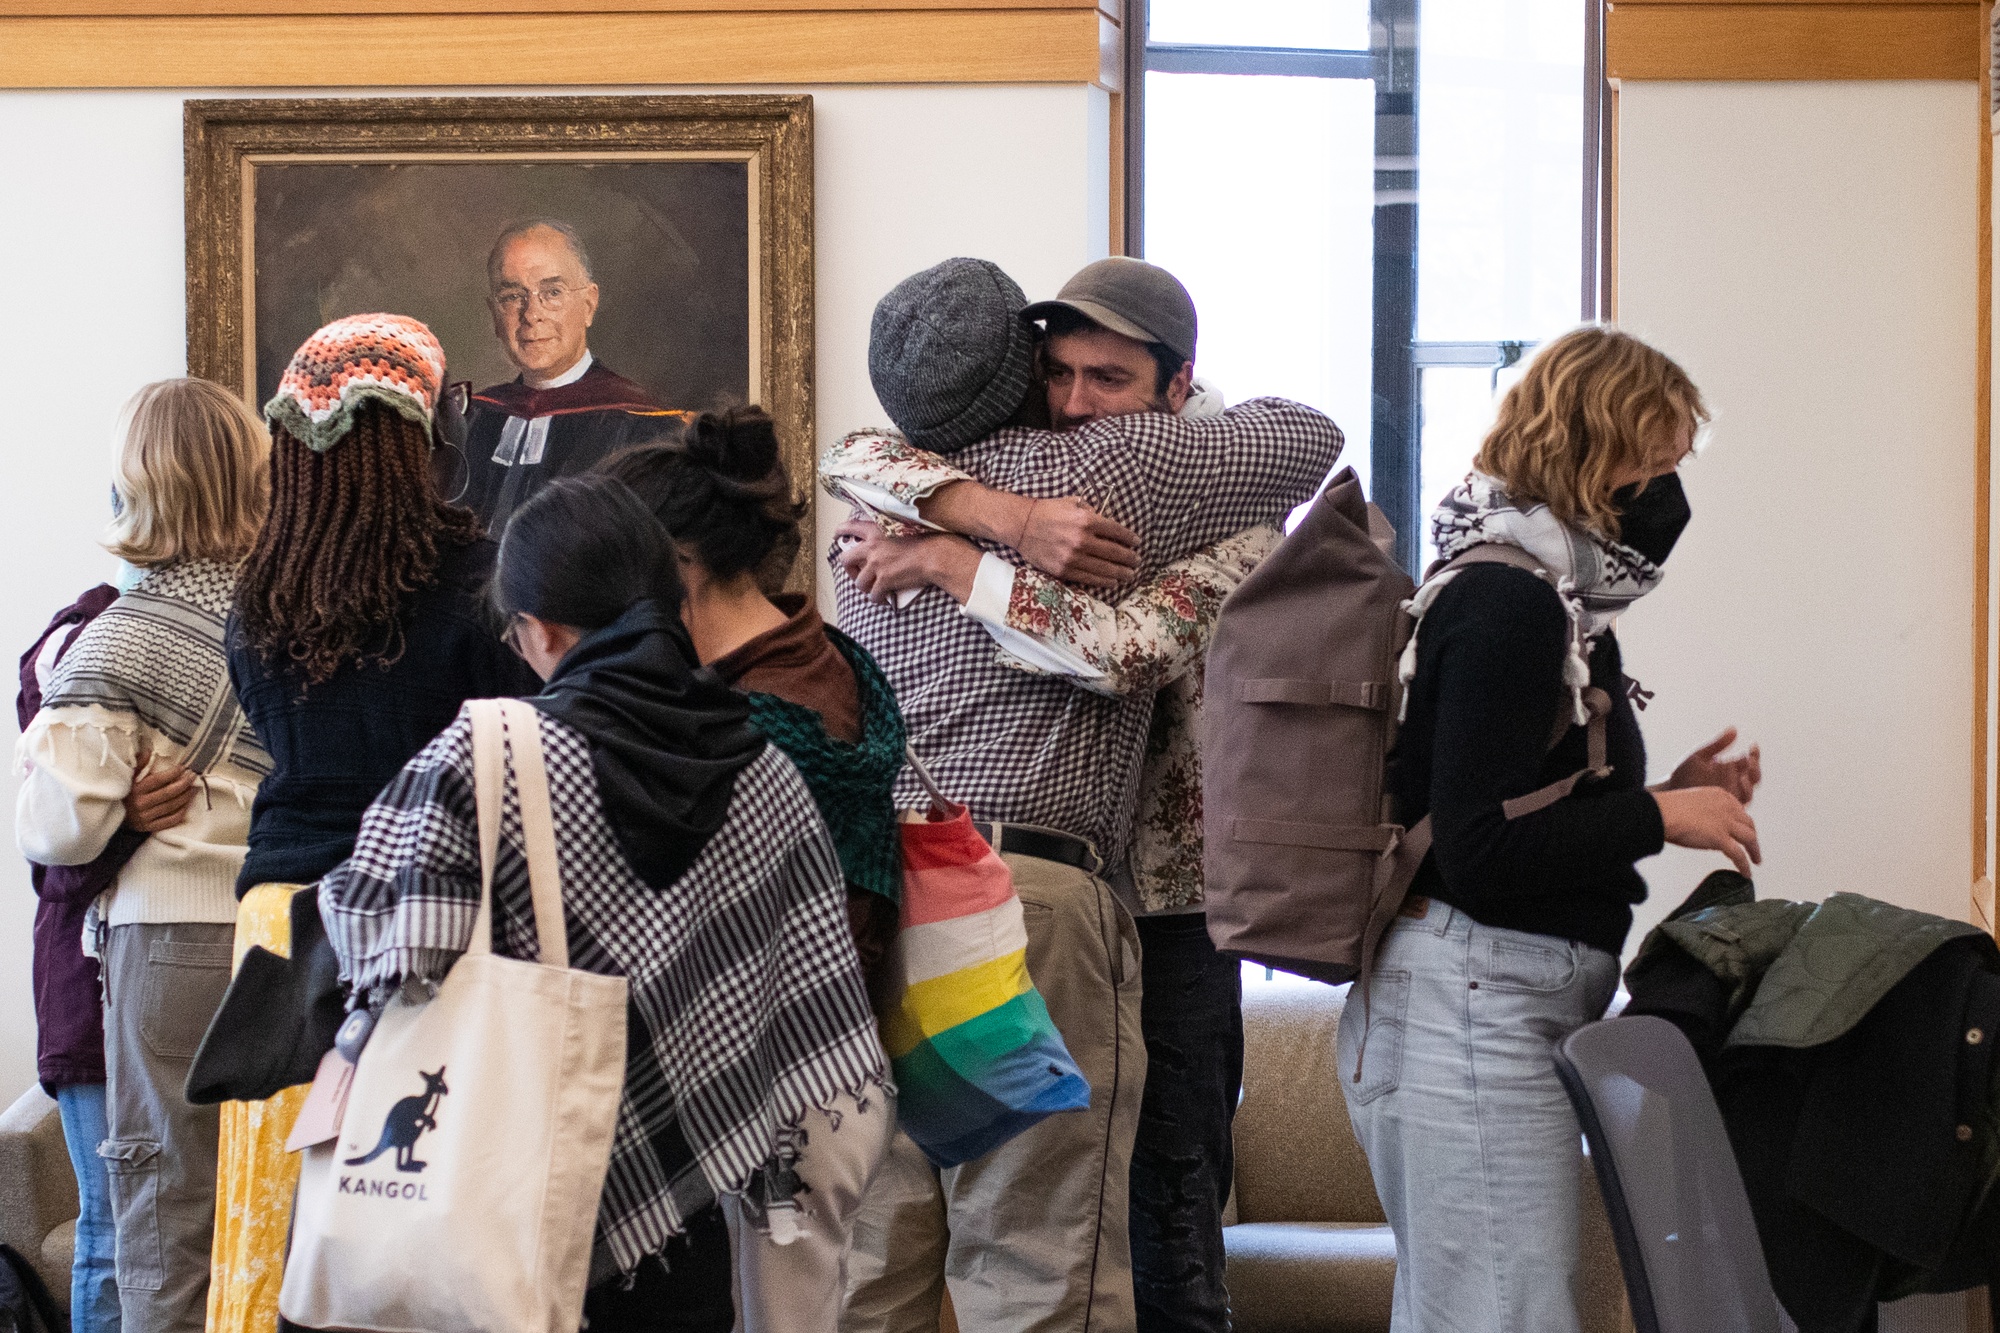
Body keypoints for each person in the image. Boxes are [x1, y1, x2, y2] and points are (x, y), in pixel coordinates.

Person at [825, 257, 1342, 1333]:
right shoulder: (1059, 472)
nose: (1070, 404)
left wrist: (956, 557)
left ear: (1174, 379)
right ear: (1019, 365)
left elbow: (1132, 640)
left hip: (1051, 897)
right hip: (1039, 890)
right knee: (1038, 1253)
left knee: (890, 1251)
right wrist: (993, 520)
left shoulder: (895, 493)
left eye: (1102, 377)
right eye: (1053, 373)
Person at [317, 473, 888, 1333]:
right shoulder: (767, 769)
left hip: (502, 1208)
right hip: (688, 1220)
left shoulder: (484, 755)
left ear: (539, 629)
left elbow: (379, 942)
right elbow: (805, 995)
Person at [1343, 326, 1763, 1333]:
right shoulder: (1506, 603)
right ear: (1588, 448)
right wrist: (1656, 815)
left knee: (1485, 1310)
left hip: (1493, 993)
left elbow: (1512, 810)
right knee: (1503, 1315)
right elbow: (1478, 853)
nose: (1664, 491)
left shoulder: (1548, 600)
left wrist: (1660, 792)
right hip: (1467, 1000)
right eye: (1651, 461)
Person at [213, 313, 540, 1333]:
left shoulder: (257, 596)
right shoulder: (477, 581)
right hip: (428, 920)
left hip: (279, 924)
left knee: (279, 1226)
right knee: (425, 1216)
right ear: (424, 429)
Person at [599, 406, 904, 1333]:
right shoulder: (822, 660)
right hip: (828, 1070)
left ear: (677, 566)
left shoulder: (745, 724)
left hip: (771, 1087)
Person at [14, 378, 274, 1333]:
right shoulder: (296, 623)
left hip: (169, 946)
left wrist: (114, 808)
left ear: (137, 486)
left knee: (163, 1216)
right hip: (288, 935)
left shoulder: (112, 640)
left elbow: (55, 833)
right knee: (271, 1212)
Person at [461, 218, 687, 533]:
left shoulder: (645, 427)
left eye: (552, 292)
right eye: (513, 296)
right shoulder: (472, 420)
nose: (531, 314)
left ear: (589, 304)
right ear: (494, 315)